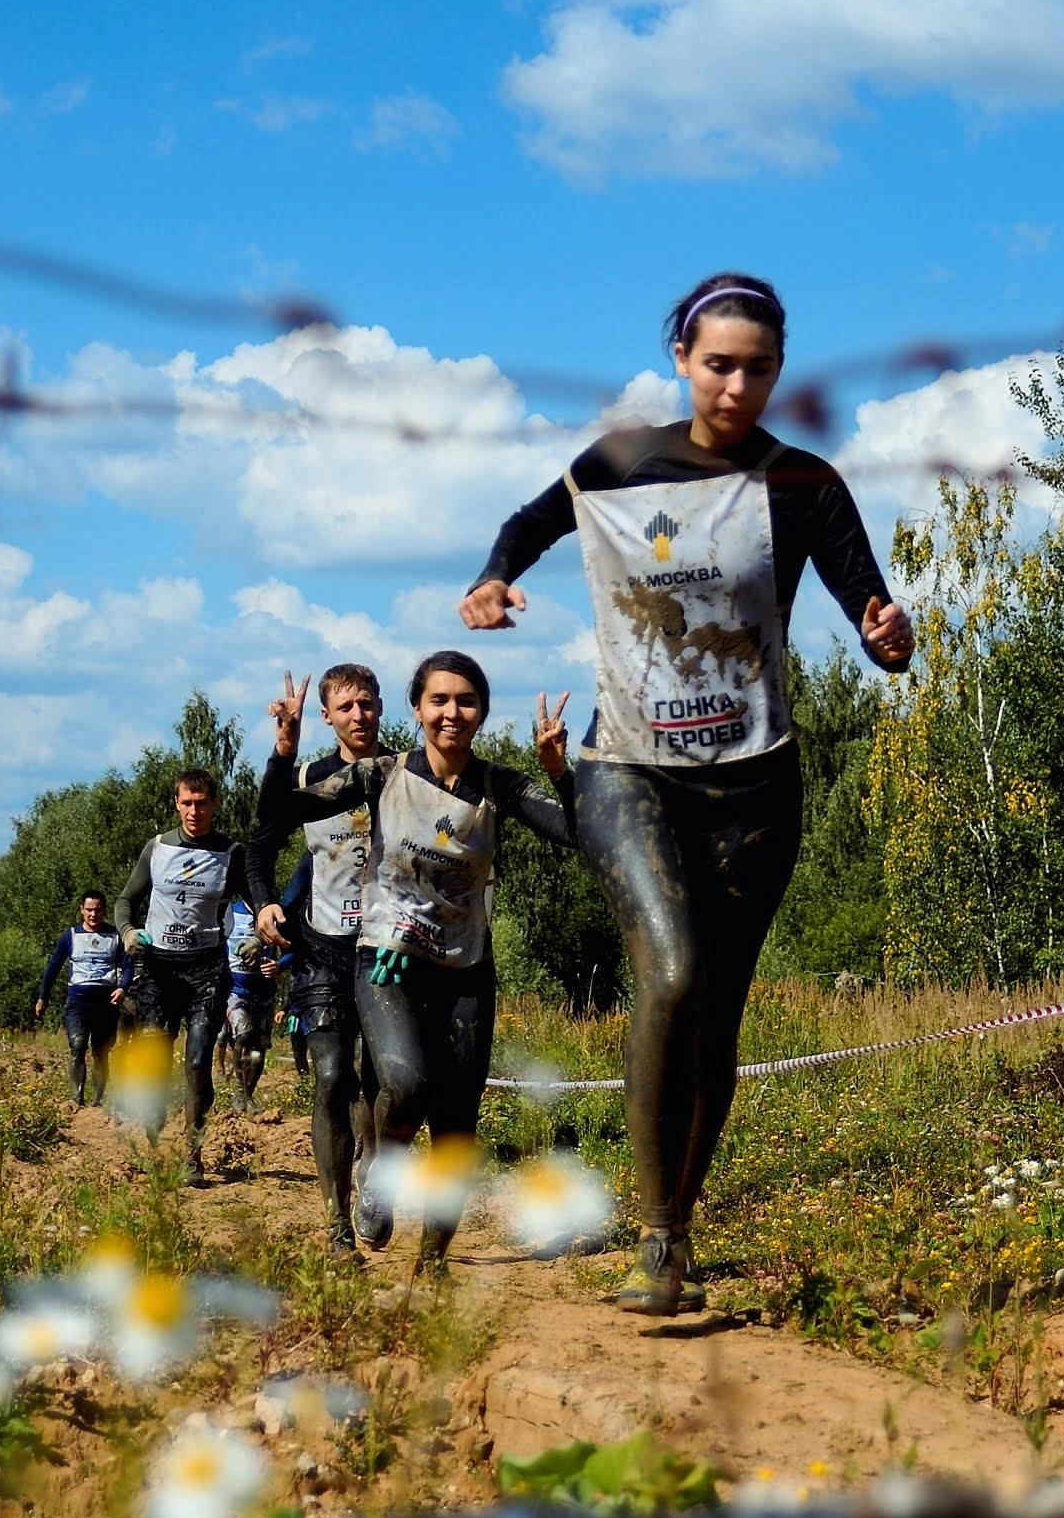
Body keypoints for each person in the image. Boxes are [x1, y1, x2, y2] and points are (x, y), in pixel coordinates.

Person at [458, 272, 914, 1315]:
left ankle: (675, 1224)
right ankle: (656, 1235)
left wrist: (890, 636)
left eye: (757, 366)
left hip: (756, 783)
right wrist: (491, 579)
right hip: (628, 768)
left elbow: (871, 612)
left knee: (715, 1020)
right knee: (668, 974)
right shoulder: (620, 463)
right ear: (680, 359)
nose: (736, 384)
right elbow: (530, 523)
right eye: (718, 363)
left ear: (778, 370)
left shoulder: (801, 483)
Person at [249, 652, 575, 1273]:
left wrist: (560, 773)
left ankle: (432, 1267)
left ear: (481, 711)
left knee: (457, 1121)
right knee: (403, 1083)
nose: (452, 712)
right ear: (419, 709)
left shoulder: (499, 784)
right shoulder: (381, 774)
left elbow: (580, 833)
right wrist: (284, 750)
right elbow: (279, 815)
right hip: (386, 958)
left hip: (465, 967)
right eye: (439, 701)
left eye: (466, 700)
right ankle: (382, 1165)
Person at [246, 663, 387, 1252]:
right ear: (327, 716)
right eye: (346, 707)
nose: (358, 715)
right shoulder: (304, 777)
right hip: (321, 951)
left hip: (389, 950)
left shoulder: (403, 772)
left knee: (384, 1087)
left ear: (380, 708)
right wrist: (264, 905)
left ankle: (373, 1169)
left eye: (368, 704)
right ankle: (335, 1224)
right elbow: (257, 847)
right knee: (331, 1075)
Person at [114, 769, 245, 1183]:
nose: (194, 811)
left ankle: (193, 1153)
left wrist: (257, 935)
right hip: (158, 969)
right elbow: (124, 900)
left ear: (215, 804)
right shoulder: (157, 848)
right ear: (176, 804)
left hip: (206, 969)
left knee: (197, 1060)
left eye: (202, 803)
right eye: (186, 803)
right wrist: (127, 931)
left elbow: (259, 900)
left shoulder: (230, 853)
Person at [34, 890, 127, 1107]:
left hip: (106, 1003)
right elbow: (53, 967)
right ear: (82, 910)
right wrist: (42, 997)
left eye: (98, 910)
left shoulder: (115, 936)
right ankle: (77, 1099)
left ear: (104, 910)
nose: (93, 914)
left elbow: (129, 966)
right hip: (78, 1002)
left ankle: (97, 1100)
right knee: (77, 1045)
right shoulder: (70, 937)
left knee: (100, 1051)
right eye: (89, 910)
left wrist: (123, 987)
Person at [220, 896, 278, 1109]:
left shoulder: (274, 912)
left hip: (264, 991)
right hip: (235, 989)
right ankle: (239, 1090)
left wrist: (278, 964)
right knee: (243, 1034)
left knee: (260, 1046)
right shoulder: (230, 911)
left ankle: (248, 1094)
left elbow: (291, 948)